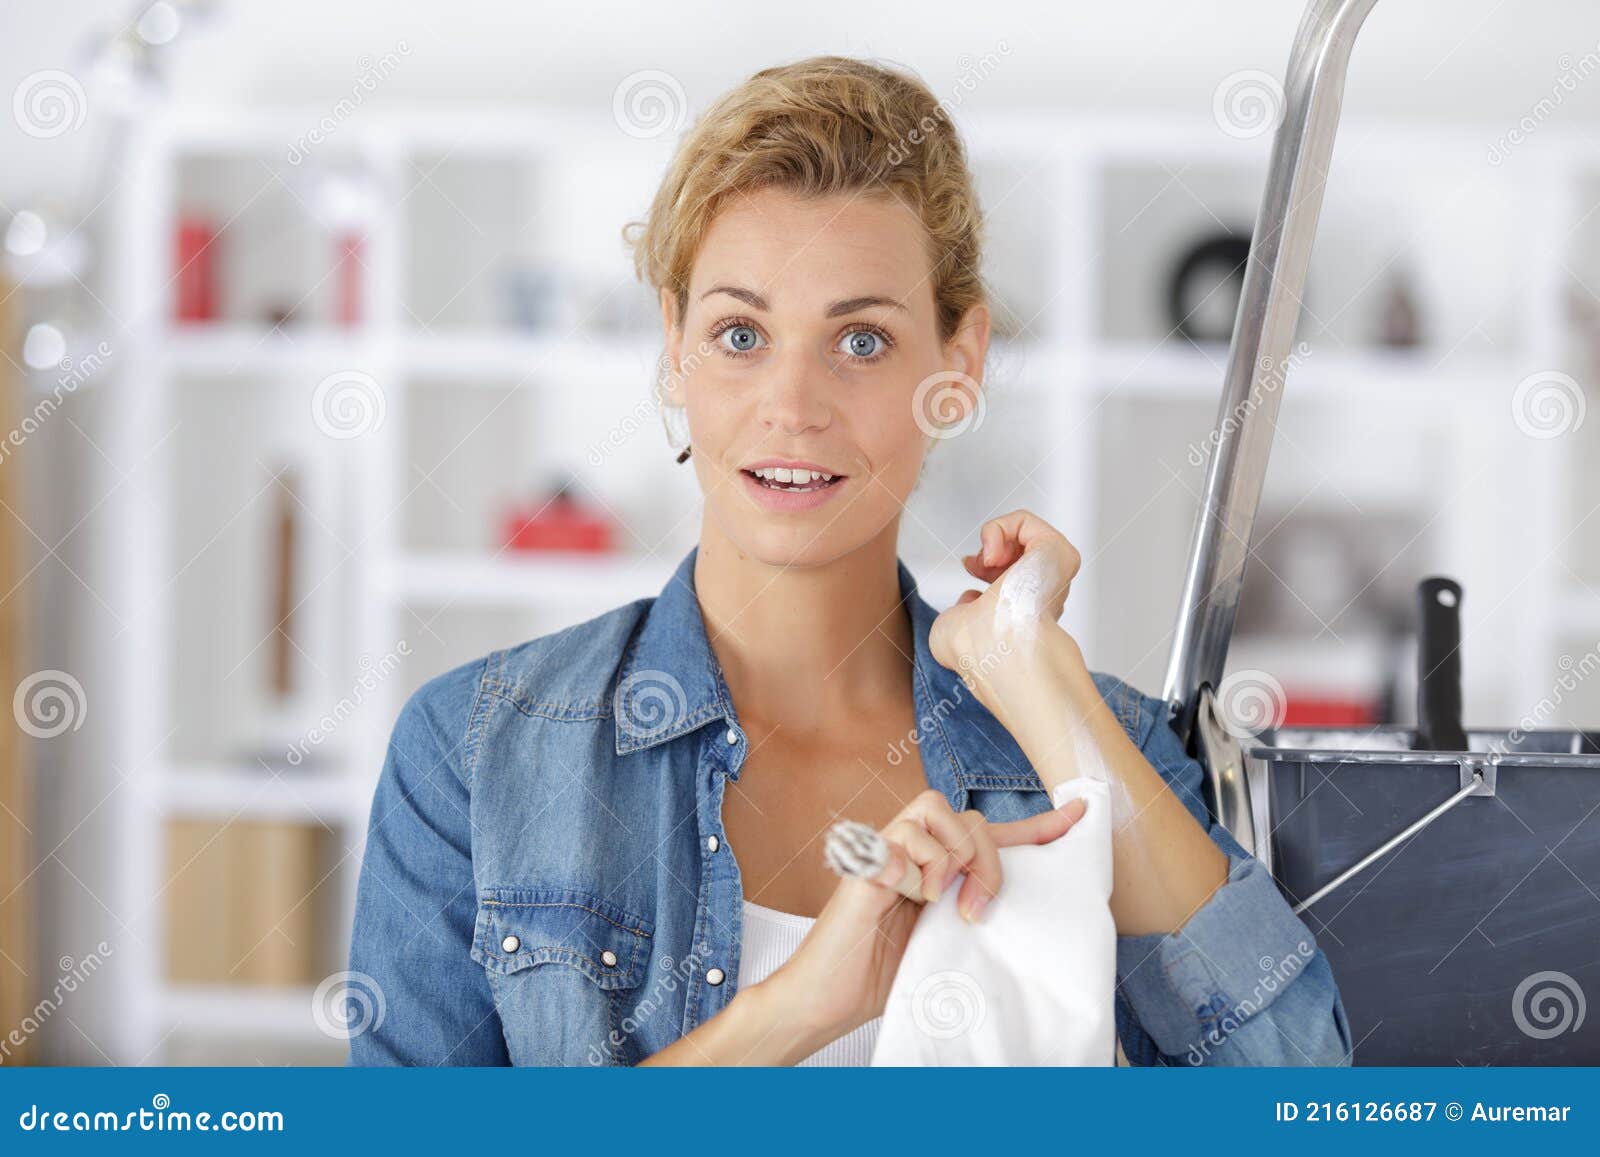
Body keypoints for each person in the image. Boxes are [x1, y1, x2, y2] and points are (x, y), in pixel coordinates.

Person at [347, 55, 1350, 1067]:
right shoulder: (478, 750)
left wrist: (1038, 686)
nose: (794, 403)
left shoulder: (1082, 747)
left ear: (956, 362)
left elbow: (1299, 1087)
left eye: (861, 341)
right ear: (675, 346)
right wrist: (797, 1008)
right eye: (739, 333)